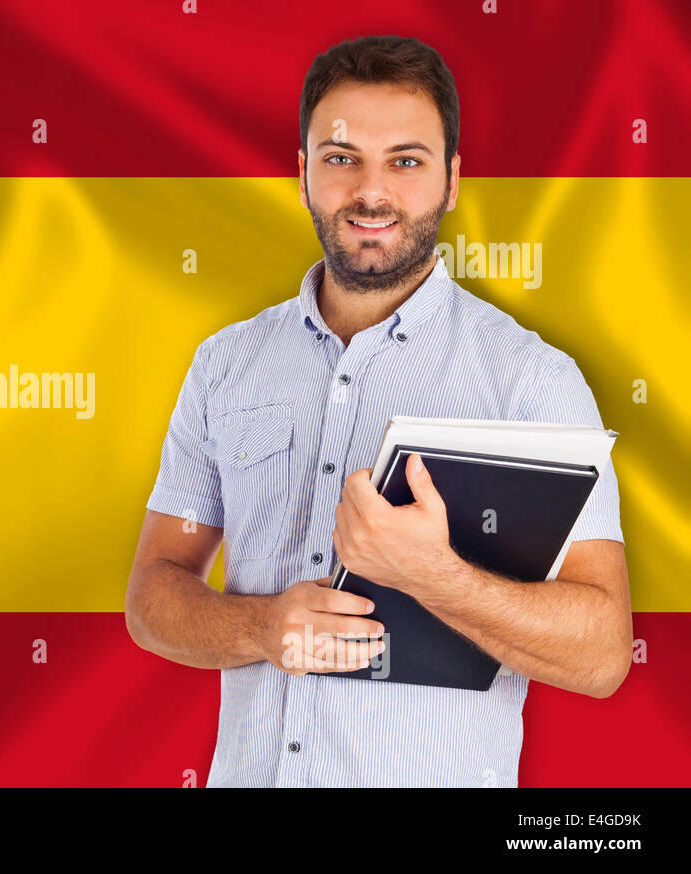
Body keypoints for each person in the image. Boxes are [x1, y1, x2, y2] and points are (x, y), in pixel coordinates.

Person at [125, 35, 631, 787]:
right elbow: (154, 597)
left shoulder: (531, 383)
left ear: (453, 181)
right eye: (340, 158)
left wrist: (435, 576)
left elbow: (601, 655)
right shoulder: (225, 365)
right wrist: (261, 628)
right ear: (301, 176)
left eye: (405, 160)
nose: (371, 191)